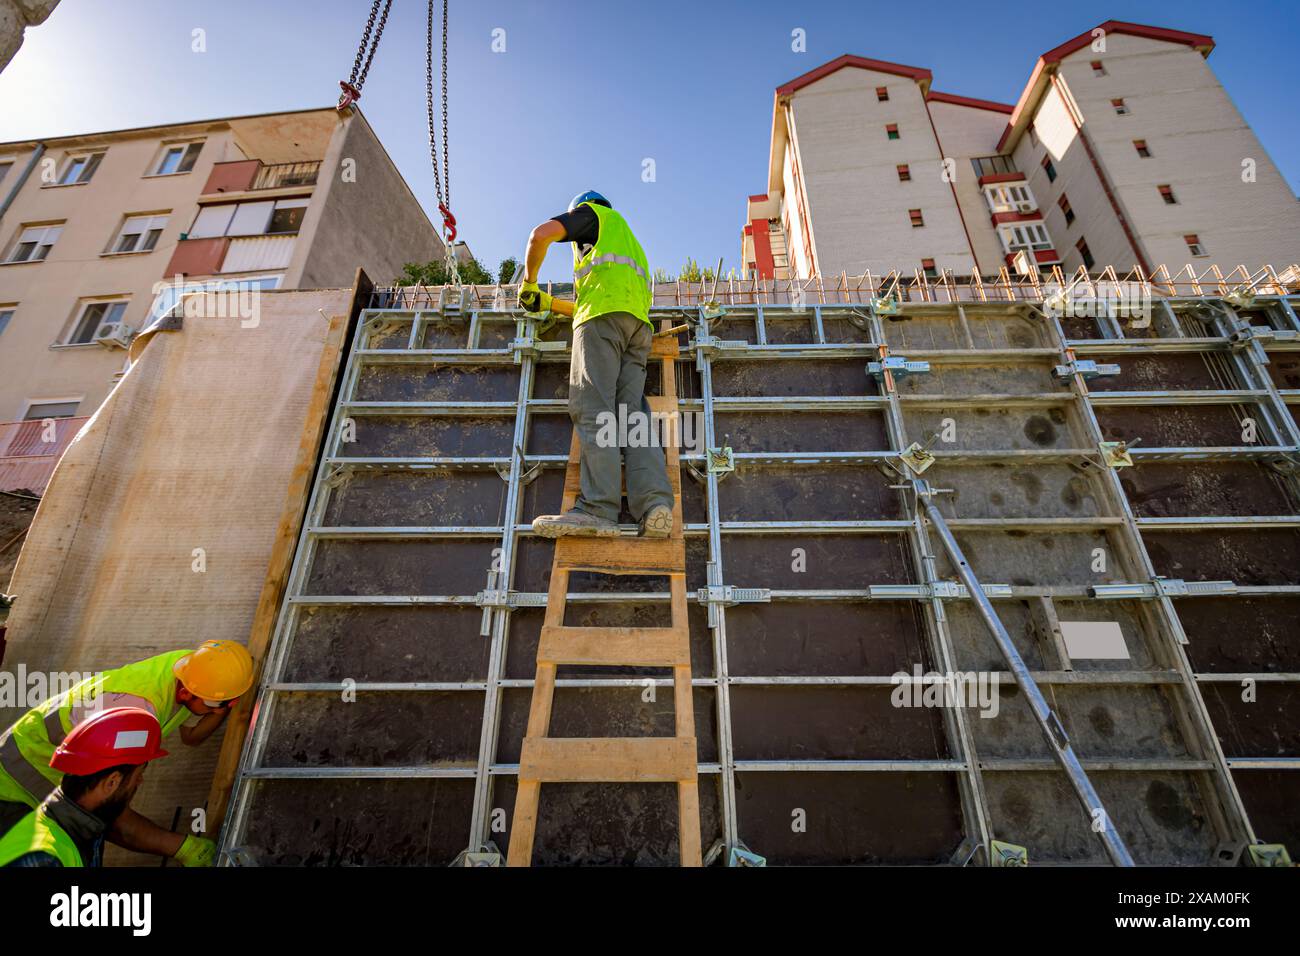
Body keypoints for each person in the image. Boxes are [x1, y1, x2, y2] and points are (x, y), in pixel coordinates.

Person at [0, 639, 254, 864]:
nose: (220, 709)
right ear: (187, 692)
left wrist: (227, 702)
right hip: (17, 782)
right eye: (216, 703)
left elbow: (192, 735)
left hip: (50, 773)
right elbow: (112, 813)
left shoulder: (196, 671)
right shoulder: (134, 710)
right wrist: (184, 848)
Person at [519, 190, 674, 538]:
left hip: (602, 325)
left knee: (594, 409)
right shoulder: (629, 244)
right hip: (636, 329)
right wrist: (547, 303)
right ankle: (654, 506)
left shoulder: (591, 216)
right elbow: (599, 302)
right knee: (631, 415)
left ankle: (597, 508)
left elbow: (539, 235)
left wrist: (528, 283)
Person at [0, 707, 170, 867]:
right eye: (138, 774)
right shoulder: (43, 858)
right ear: (111, 783)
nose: (140, 781)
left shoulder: (82, 829)